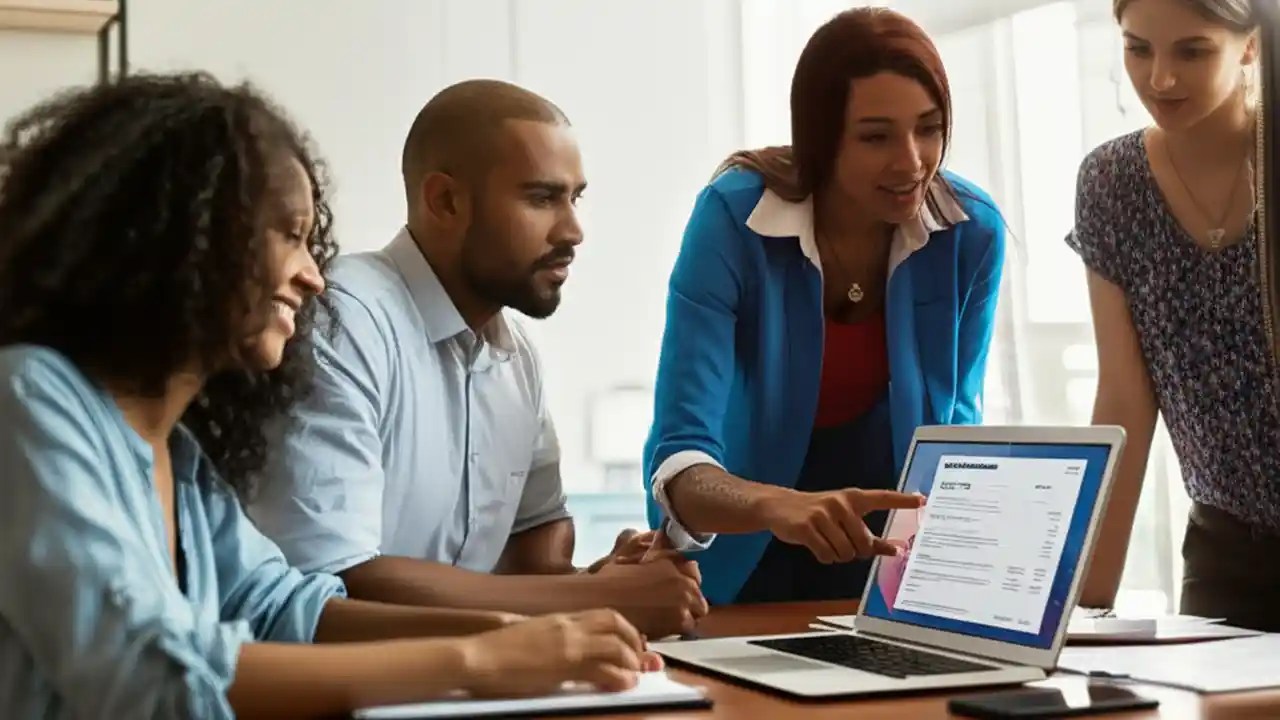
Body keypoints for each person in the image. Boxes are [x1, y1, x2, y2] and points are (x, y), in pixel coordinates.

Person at [0, 73, 657, 719]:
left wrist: (521, 636)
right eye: (290, 236)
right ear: (182, 231)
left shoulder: (181, 460)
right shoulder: (27, 399)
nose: (313, 276)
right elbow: (150, 675)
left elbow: (285, 608)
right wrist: (480, 660)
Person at [245, 79, 707, 638]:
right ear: (445, 201)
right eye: (542, 198)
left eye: (575, 198)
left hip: (473, 677)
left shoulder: (517, 357)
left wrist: (608, 577)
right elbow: (334, 581)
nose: (573, 230)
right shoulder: (342, 320)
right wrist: (597, 596)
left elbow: (536, 561)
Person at [641, 7, 1007, 606]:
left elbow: (954, 432)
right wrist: (777, 504)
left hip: (885, 549)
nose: (912, 161)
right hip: (743, 547)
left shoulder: (969, 232)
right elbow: (680, 456)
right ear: (821, 136)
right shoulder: (734, 220)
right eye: (876, 136)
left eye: (929, 128)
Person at [1070, 0, 1280, 632]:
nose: (1159, 79)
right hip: (1225, 552)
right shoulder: (1111, 181)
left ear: (1250, 44)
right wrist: (1084, 612)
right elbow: (1123, 398)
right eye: (1138, 49)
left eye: (1192, 51)